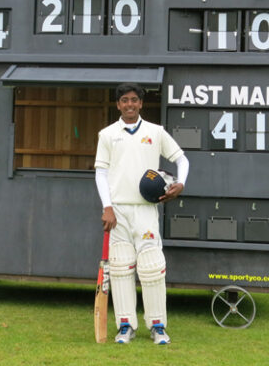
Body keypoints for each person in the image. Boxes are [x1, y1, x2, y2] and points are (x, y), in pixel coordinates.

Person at [94, 83, 189, 345]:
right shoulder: (107, 134)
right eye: (124, 100)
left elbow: (182, 159)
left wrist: (180, 183)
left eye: (134, 100)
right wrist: (107, 207)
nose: (130, 104)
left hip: (146, 209)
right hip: (118, 211)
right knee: (121, 267)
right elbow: (101, 173)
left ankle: (157, 326)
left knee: (152, 267)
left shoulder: (155, 132)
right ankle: (125, 326)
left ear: (141, 103)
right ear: (118, 104)